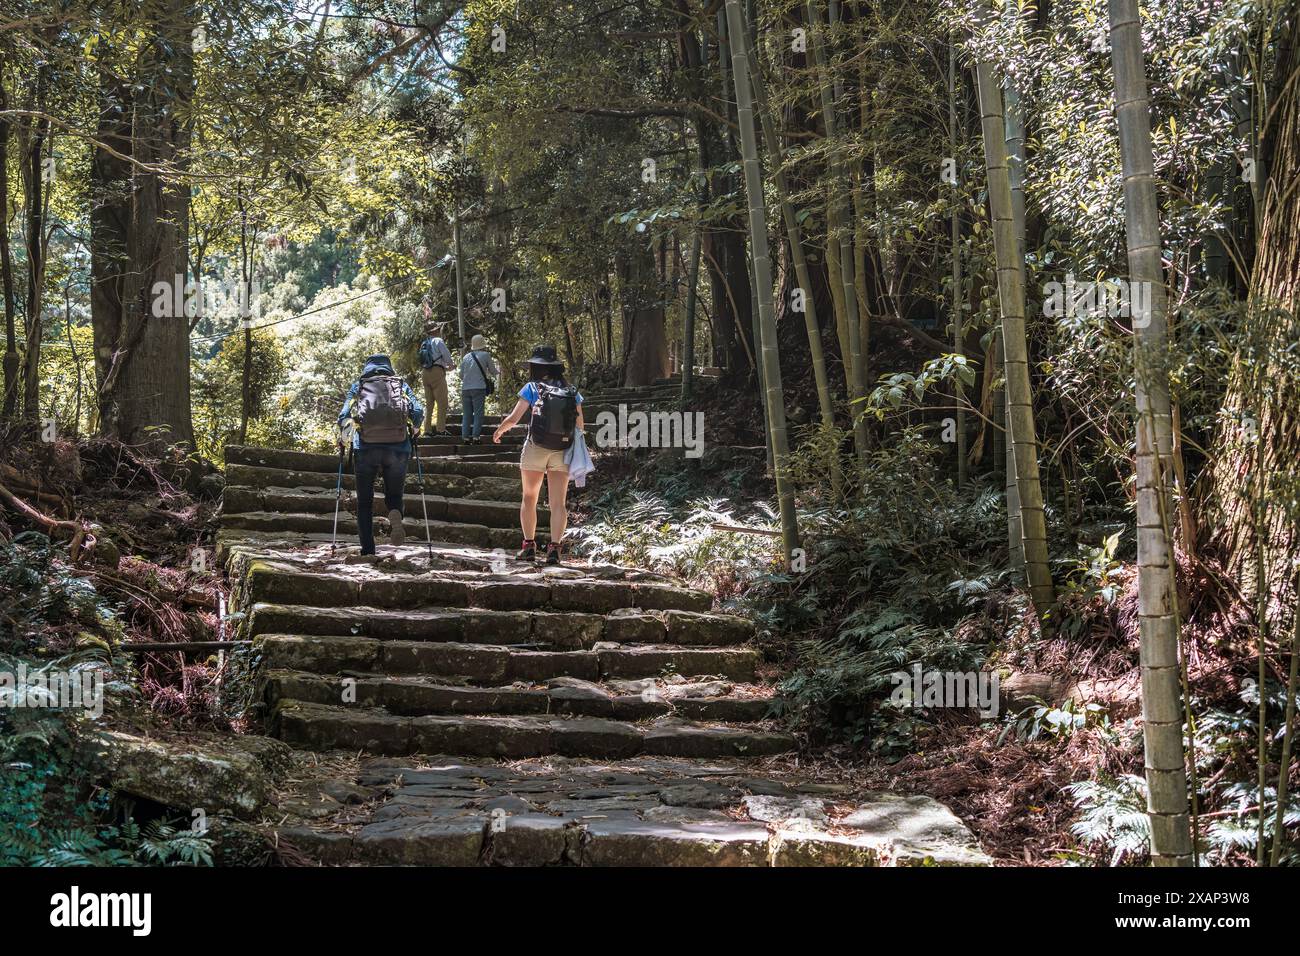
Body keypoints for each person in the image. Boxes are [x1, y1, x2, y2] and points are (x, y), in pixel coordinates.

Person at [493, 345, 583, 565]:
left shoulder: (532, 387)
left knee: (530, 497)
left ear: (535, 366)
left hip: (536, 448)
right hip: (562, 449)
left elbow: (514, 418)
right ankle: (554, 550)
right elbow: (580, 424)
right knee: (558, 504)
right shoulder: (571, 391)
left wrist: (499, 431)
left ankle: (529, 547)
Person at [338, 354, 424, 556]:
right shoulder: (400, 385)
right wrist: (416, 427)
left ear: (367, 368)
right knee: (395, 494)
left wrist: (344, 438)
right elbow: (418, 410)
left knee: (365, 502)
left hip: (366, 448)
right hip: (398, 447)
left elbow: (344, 415)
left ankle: (368, 550)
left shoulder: (358, 386)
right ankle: (394, 512)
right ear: (388, 367)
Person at [458, 333, 499, 444]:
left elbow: (461, 375)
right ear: (482, 344)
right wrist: (499, 373)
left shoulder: (466, 357)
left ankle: (465, 438)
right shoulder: (485, 355)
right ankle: (476, 437)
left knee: (467, 414)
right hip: (479, 388)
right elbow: (493, 371)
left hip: (465, 389)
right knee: (478, 413)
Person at [417, 321, 453, 436]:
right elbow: (446, 356)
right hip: (436, 373)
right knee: (442, 402)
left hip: (425, 373)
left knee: (429, 403)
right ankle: (440, 429)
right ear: (436, 331)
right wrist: (451, 365)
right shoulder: (438, 341)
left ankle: (427, 430)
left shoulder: (424, 343)